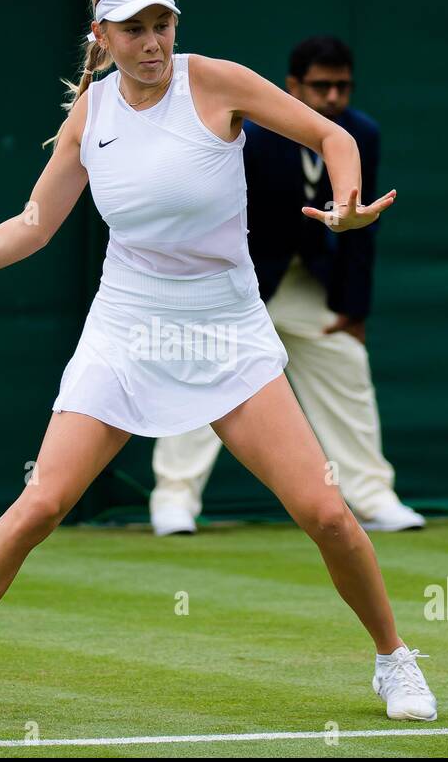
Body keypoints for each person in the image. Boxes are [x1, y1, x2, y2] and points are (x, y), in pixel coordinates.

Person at [0, 0, 437, 727]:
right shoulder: (90, 116)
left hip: (227, 328)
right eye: (134, 28)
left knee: (323, 511)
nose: (153, 41)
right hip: (126, 326)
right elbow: (33, 224)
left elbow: (329, 133)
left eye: (162, 24)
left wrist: (348, 202)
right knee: (41, 503)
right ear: (103, 38)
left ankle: (394, 659)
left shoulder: (217, 83)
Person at [149, 36, 425, 536]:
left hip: (309, 286)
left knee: (347, 364)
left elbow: (365, 226)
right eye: (321, 86)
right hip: (237, 285)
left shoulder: (363, 133)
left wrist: (353, 309)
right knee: (200, 378)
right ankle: (173, 499)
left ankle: (373, 496)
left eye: (343, 86)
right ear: (293, 86)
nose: (334, 97)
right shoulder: (247, 134)